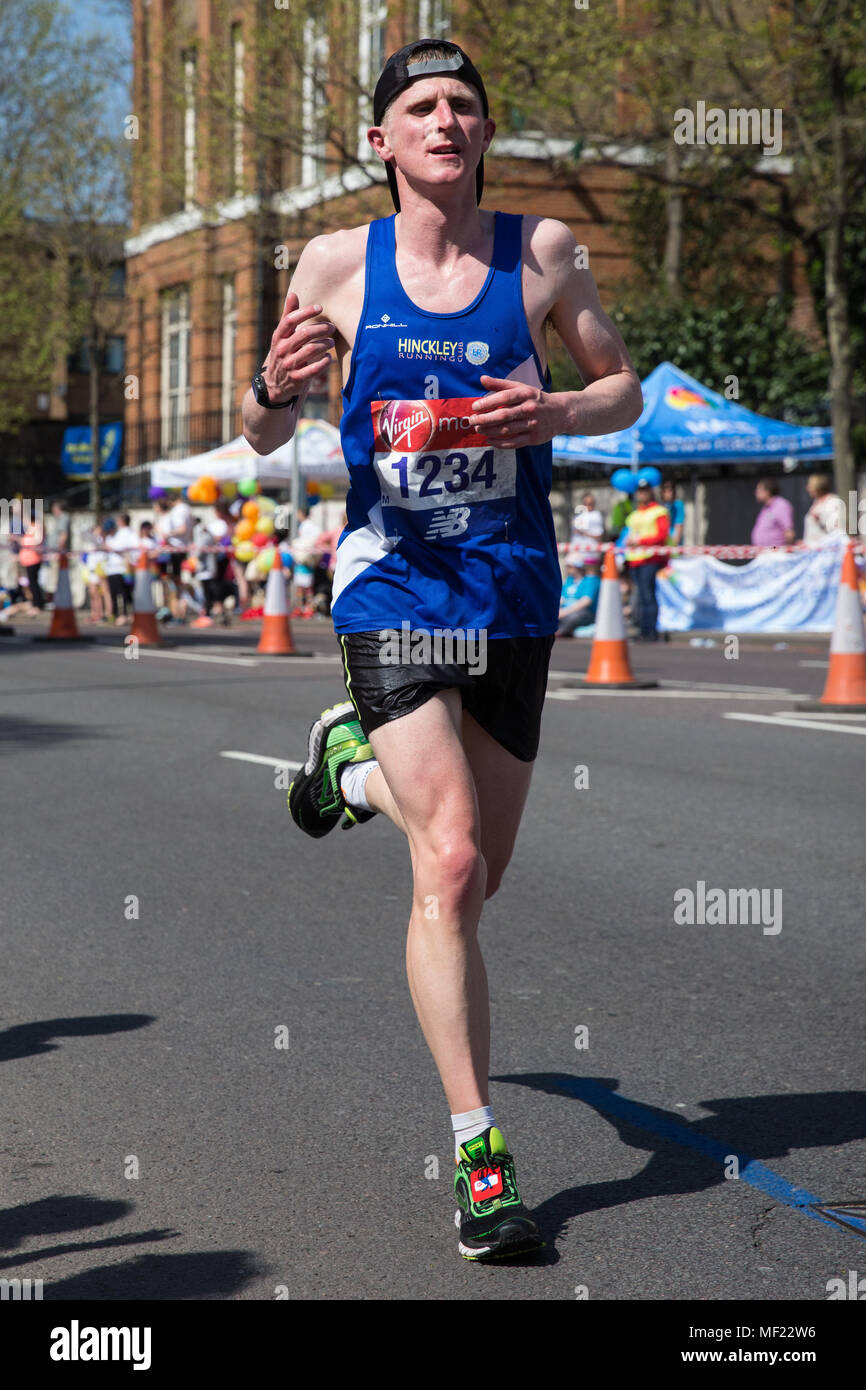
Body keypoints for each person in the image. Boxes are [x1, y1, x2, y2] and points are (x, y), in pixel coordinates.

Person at [241, 36, 642, 1261]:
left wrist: (558, 409)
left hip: (511, 589)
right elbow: (261, 432)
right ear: (381, 141)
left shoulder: (543, 254)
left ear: (483, 134)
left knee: (480, 882)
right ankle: (480, 1157)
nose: (445, 120)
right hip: (391, 584)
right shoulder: (330, 263)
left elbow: (622, 387)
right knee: (450, 863)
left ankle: (343, 773)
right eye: (420, 105)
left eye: (464, 105)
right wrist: (270, 381)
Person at [624, 480, 670, 640]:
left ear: (650, 492)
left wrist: (640, 542)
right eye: (639, 491)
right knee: (640, 597)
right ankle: (643, 630)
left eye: (645, 491)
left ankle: (650, 632)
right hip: (635, 559)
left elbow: (662, 536)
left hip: (650, 559)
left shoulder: (658, 511)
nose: (641, 494)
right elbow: (629, 534)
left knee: (648, 596)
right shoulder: (634, 514)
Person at [556, 555, 601, 636]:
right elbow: (561, 598)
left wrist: (565, 612)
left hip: (586, 613)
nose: (567, 569)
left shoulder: (591, 580)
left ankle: (560, 632)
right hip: (567, 611)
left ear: (578, 567)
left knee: (573, 618)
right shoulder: (569, 580)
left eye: (570, 567)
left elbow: (586, 601)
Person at [803, 473, 845, 547]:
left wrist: (820, 520)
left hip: (828, 549)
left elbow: (838, 529)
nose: (807, 488)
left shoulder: (833, 501)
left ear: (819, 486)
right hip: (813, 550)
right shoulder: (816, 502)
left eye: (810, 485)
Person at [751, 478, 794, 548]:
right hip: (764, 553)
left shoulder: (781, 505)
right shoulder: (765, 508)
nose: (756, 492)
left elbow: (789, 532)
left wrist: (785, 552)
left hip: (776, 553)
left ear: (767, 491)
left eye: (759, 490)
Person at [570, 490, 604, 565]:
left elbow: (599, 536)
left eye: (590, 504)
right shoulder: (578, 516)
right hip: (577, 553)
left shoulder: (596, 515)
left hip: (591, 553)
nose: (588, 506)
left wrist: (583, 533)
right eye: (586, 504)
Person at [661, 478, 684, 546]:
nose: (667, 493)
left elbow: (679, 525)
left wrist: (674, 543)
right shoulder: (660, 506)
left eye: (670, 490)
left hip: (673, 540)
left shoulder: (678, 505)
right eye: (665, 491)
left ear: (674, 491)